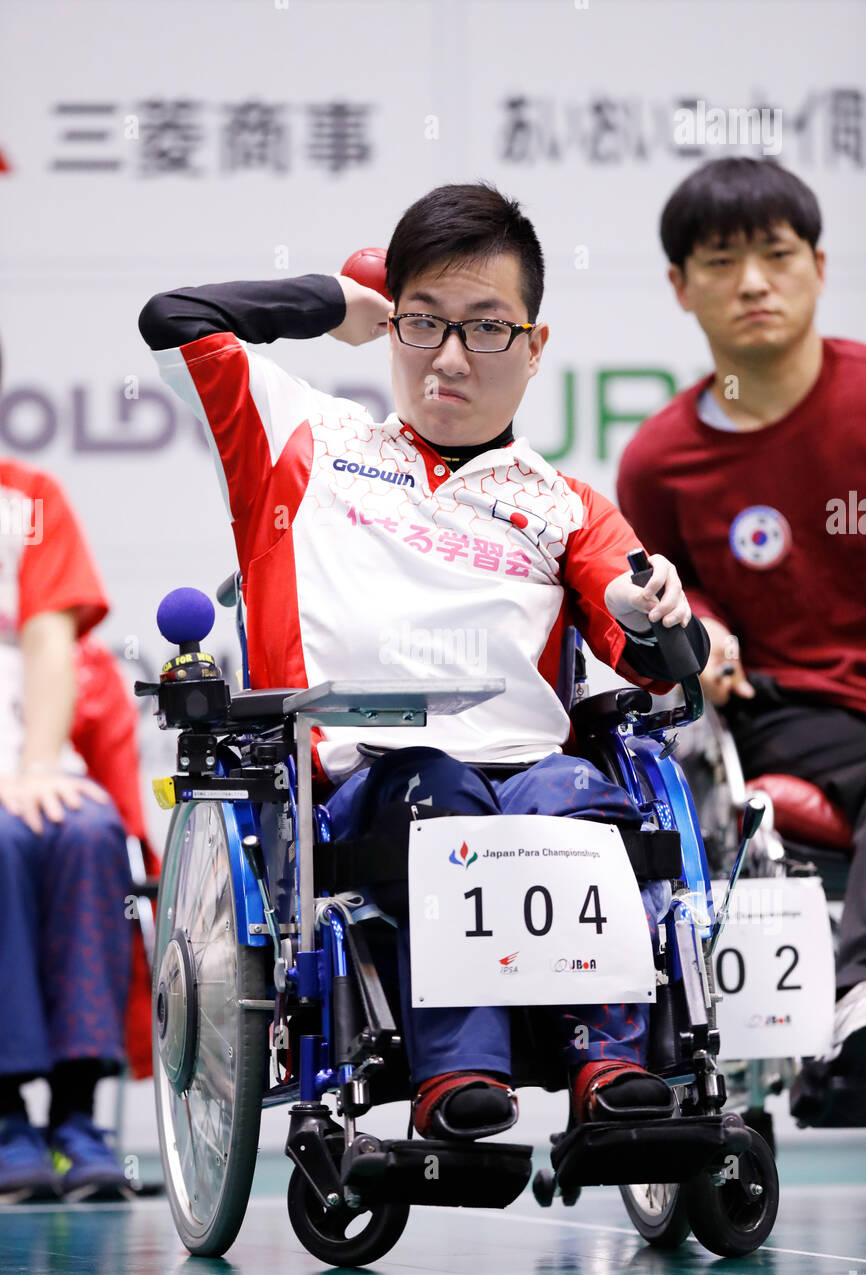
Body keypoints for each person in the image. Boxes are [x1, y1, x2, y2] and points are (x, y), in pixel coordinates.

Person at [139, 182, 709, 1139]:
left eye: (486, 329)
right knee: (438, 787)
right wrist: (336, 303)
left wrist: (646, 613)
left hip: (531, 778)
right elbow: (173, 319)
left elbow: (651, 654)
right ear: (392, 322)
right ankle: (458, 1075)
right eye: (425, 324)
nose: (449, 358)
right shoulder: (302, 437)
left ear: (536, 348)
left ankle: (607, 1062)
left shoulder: (564, 504)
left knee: (574, 789)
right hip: (367, 787)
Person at [616, 157, 866, 1122]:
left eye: (776, 254)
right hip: (791, 710)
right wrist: (704, 631)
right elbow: (664, 605)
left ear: (818, 265)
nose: (754, 282)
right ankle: (852, 1014)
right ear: (682, 286)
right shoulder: (663, 460)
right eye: (723, 261)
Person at [0, 456, 135, 1198]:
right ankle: (6, 1116)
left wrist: (39, 765)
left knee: (88, 830)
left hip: (28, 751)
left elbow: (52, 637)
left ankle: (77, 1116)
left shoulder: (27, 496)